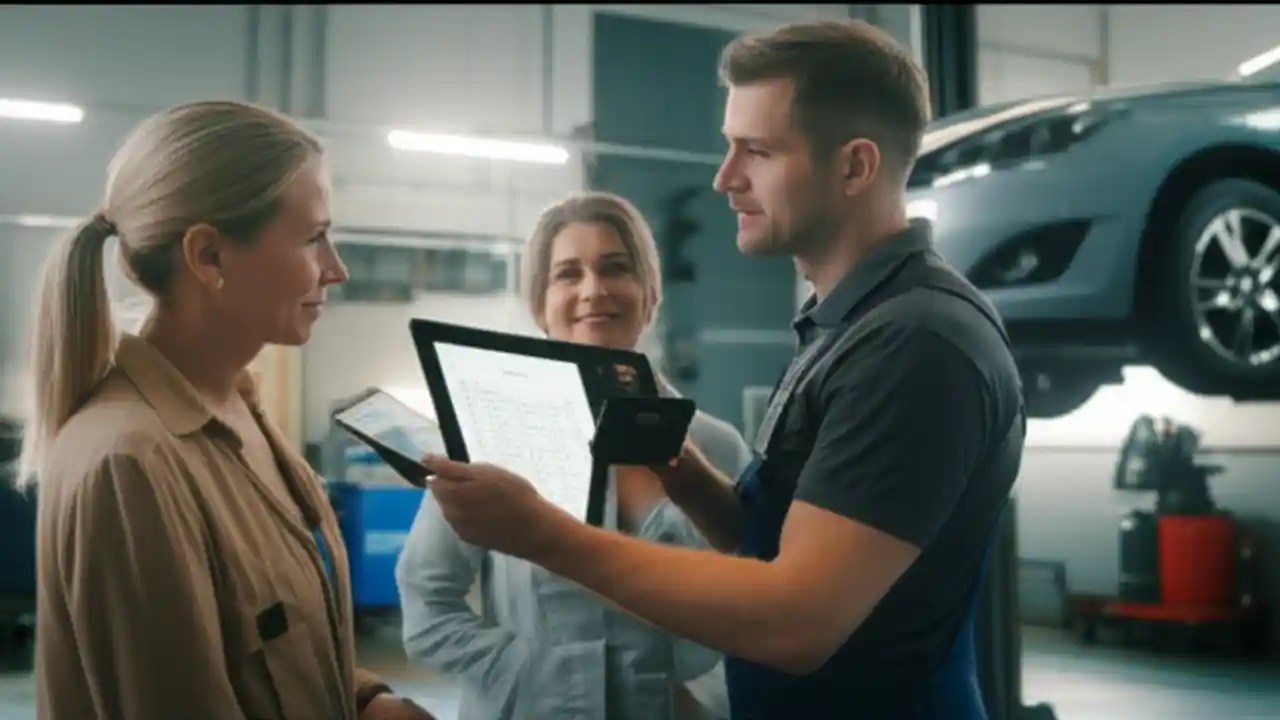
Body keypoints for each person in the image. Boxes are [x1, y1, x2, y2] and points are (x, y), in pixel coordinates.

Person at [421, 19, 1026, 720]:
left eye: (757, 152)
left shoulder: (915, 345)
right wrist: (691, 480)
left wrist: (541, 533)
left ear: (856, 167)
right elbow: (789, 542)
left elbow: (794, 619)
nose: (725, 178)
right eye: (728, 147)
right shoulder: (845, 326)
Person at [18, 100, 434, 720]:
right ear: (209, 257)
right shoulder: (131, 463)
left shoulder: (239, 409)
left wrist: (367, 702)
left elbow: (277, 649)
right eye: (314, 237)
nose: (337, 269)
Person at [395, 191, 753, 720]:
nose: (594, 290)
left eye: (616, 268)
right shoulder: (488, 437)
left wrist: (704, 700)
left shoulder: (715, 445)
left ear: (650, 293)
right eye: (568, 274)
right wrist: (526, 676)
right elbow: (427, 603)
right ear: (540, 304)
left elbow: (760, 603)